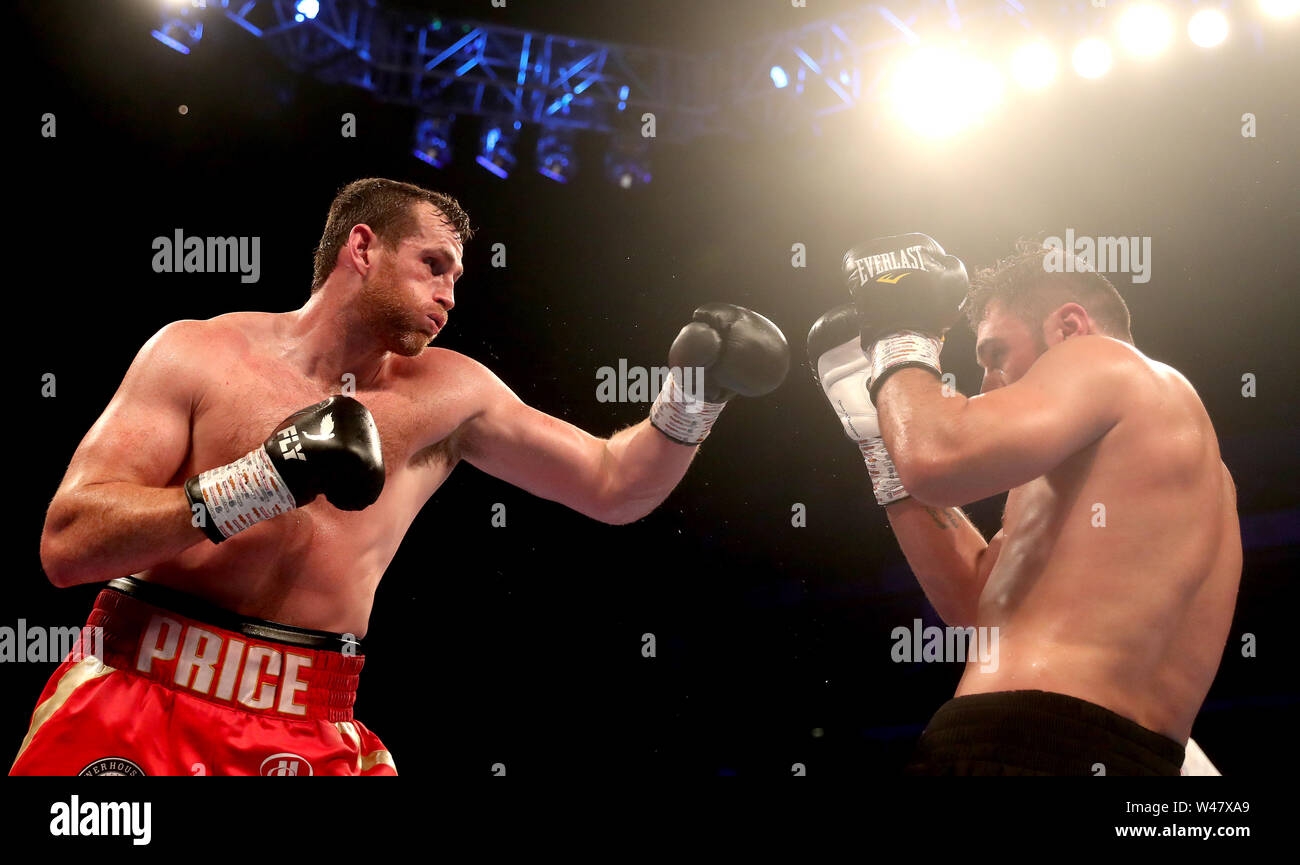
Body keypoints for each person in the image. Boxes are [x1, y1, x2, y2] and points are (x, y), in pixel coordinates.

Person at [13, 177, 789, 776]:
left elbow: (616, 487)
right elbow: (68, 543)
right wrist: (258, 481)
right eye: (433, 266)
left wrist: (696, 394)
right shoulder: (197, 352)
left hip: (307, 725)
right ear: (362, 248)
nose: (450, 295)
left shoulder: (453, 394)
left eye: (458, 277)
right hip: (134, 693)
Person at [809, 234, 1241, 775]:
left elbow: (939, 456)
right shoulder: (1189, 473)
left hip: (1022, 739)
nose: (986, 384)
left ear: (1069, 327)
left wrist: (898, 334)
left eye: (996, 353)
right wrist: (880, 443)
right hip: (1135, 759)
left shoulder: (1108, 363)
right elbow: (978, 607)